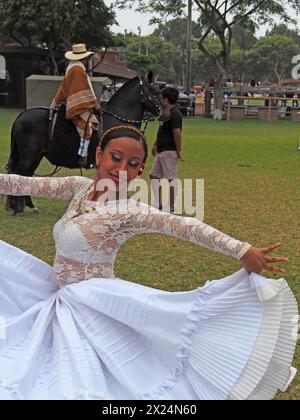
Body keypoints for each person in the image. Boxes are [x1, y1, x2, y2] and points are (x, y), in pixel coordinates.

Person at [0, 125, 298, 400]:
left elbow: (184, 226)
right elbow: (20, 183)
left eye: (132, 164)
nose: (120, 169)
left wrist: (241, 249)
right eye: (115, 158)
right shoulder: (78, 188)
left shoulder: (130, 211)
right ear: (99, 155)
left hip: (93, 303)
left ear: (141, 169)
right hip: (59, 296)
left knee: (87, 381)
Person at [50, 43, 101, 168]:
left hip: (71, 103)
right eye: (87, 57)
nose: (88, 59)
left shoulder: (74, 67)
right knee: (88, 125)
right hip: (75, 106)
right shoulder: (77, 70)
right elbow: (81, 92)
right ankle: (83, 155)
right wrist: (94, 104)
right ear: (84, 58)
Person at [150, 87, 183, 213]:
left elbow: (177, 134)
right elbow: (162, 131)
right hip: (161, 150)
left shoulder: (175, 114)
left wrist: (179, 151)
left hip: (169, 151)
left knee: (171, 178)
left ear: (166, 99)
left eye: (161, 98)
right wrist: (155, 145)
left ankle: (171, 207)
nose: (160, 100)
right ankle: (157, 204)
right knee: (153, 175)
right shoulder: (166, 113)